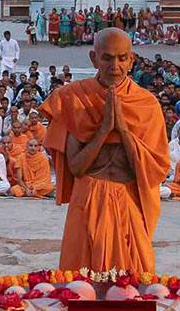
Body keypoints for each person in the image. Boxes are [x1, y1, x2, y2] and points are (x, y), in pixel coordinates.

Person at [39, 27, 169, 274]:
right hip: (87, 195)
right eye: (107, 58)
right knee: (80, 281)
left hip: (128, 198)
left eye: (122, 58)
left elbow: (153, 170)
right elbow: (76, 167)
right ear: (93, 58)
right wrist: (104, 129)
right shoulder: (73, 99)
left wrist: (122, 129)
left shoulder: (146, 104)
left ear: (131, 60)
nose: (115, 66)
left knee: (135, 281)